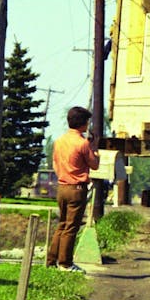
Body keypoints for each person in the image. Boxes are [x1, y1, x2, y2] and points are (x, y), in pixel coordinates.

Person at [47, 106, 99, 272]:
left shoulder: (59, 141)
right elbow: (94, 164)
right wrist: (95, 148)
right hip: (77, 187)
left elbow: (55, 163)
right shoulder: (82, 143)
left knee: (62, 224)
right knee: (71, 226)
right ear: (83, 123)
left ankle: (51, 259)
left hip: (62, 185)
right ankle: (65, 263)